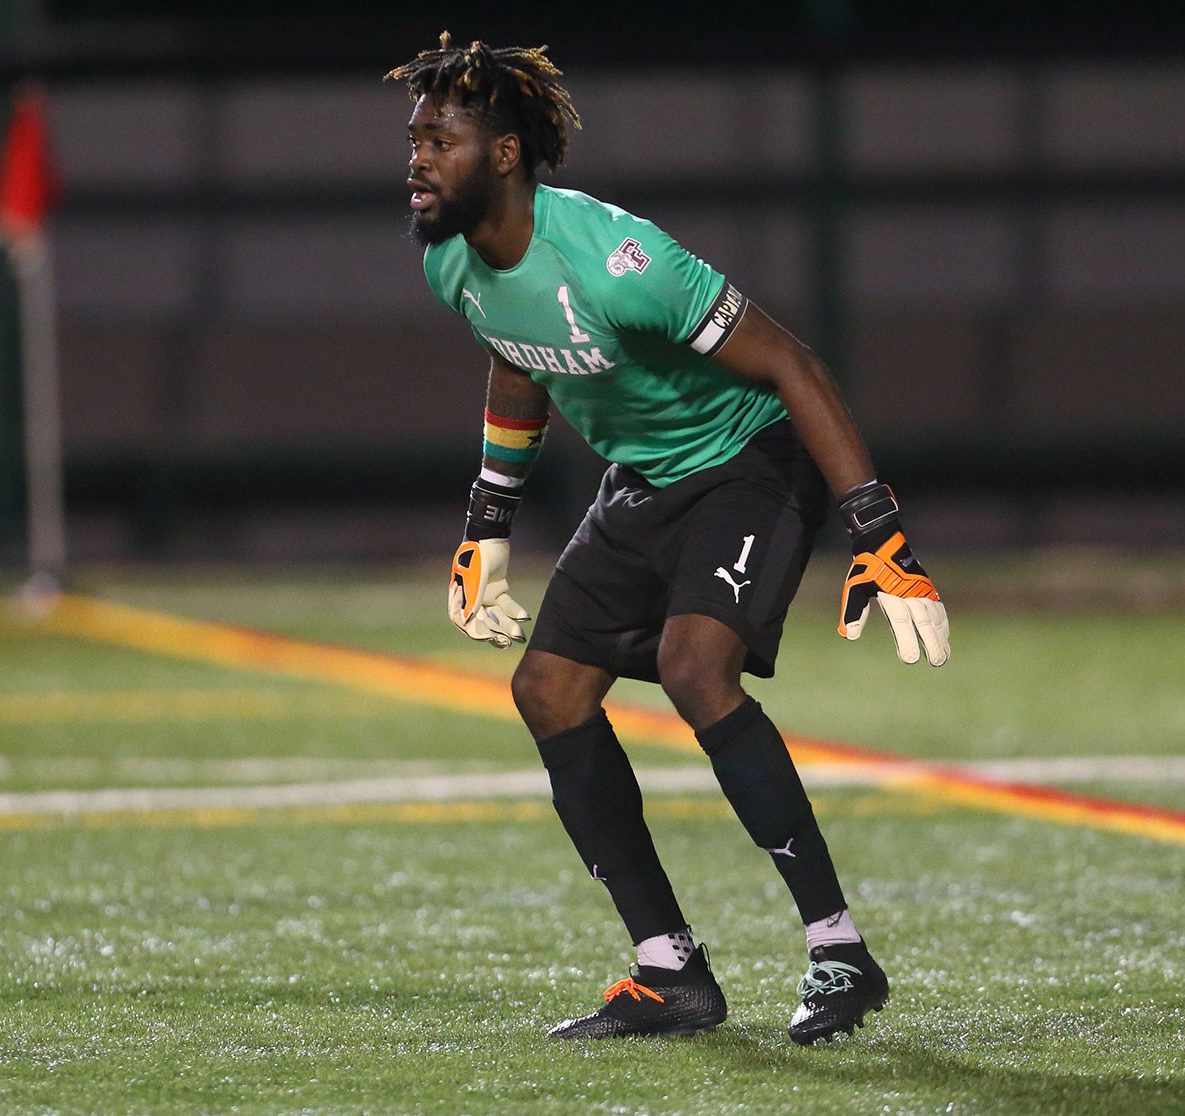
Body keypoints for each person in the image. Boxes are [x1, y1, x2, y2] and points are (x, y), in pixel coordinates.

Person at [387, 34, 948, 1045]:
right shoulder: (447, 260)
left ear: (505, 154)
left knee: (698, 670)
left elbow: (793, 365)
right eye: (413, 139)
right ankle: (667, 971)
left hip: (746, 464)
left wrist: (878, 530)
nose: (416, 160)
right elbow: (518, 359)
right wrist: (487, 522)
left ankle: (839, 952)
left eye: (439, 139)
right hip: (643, 482)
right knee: (546, 692)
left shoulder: (616, 261)